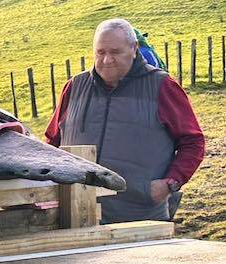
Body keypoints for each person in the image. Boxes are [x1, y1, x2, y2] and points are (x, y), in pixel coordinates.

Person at [45, 18, 205, 223]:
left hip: (140, 217)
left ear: (134, 49)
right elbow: (51, 142)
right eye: (100, 52)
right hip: (77, 214)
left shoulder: (162, 86)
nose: (107, 60)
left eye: (115, 52)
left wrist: (169, 184)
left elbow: (193, 142)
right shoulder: (74, 87)